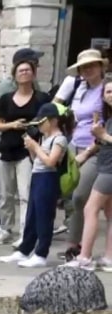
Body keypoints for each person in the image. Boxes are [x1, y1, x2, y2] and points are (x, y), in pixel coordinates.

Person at [0, 103, 73, 267]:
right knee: (32, 215)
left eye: (41, 122)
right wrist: (32, 150)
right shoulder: (45, 139)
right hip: (38, 176)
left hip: (48, 178)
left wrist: (36, 147)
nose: (38, 125)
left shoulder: (59, 139)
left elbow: (51, 162)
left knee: (44, 216)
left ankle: (41, 253)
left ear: (53, 121)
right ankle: (24, 250)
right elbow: (37, 161)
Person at [0, 58, 52, 246]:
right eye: (20, 71)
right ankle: (6, 229)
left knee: (25, 193)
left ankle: (25, 232)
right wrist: (12, 125)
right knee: (5, 193)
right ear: (15, 76)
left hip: (28, 150)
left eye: (27, 70)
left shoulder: (42, 98)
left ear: (33, 74)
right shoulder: (6, 99)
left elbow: (49, 121)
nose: (24, 73)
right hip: (6, 148)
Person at [56, 50, 110, 260]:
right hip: (74, 145)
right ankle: (76, 246)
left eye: (92, 65)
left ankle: (81, 248)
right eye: (83, 67)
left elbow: (104, 126)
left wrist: (88, 151)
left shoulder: (106, 90)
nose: (87, 70)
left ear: (101, 67)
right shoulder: (80, 88)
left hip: (96, 149)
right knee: (74, 198)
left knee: (80, 197)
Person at [67, 80, 112, 271]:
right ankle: (109, 258)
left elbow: (106, 139)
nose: (111, 94)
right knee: (110, 213)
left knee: (90, 209)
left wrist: (104, 135)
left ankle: (84, 257)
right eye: (108, 91)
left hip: (109, 170)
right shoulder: (109, 119)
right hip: (105, 165)